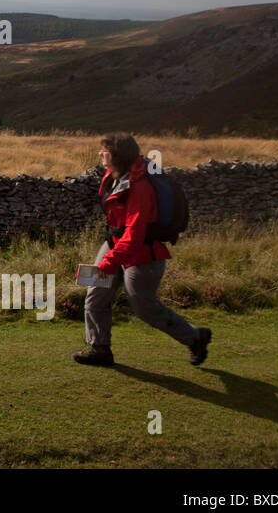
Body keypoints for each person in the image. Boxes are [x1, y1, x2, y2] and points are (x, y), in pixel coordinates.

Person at [72, 132, 211, 367]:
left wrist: (109, 262)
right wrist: (110, 256)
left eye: (104, 150)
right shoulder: (113, 175)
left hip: (143, 254)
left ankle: (195, 337)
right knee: (95, 295)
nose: (99, 153)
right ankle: (99, 348)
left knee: (144, 307)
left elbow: (135, 235)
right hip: (114, 244)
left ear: (117, 155)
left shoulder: (140, 187)